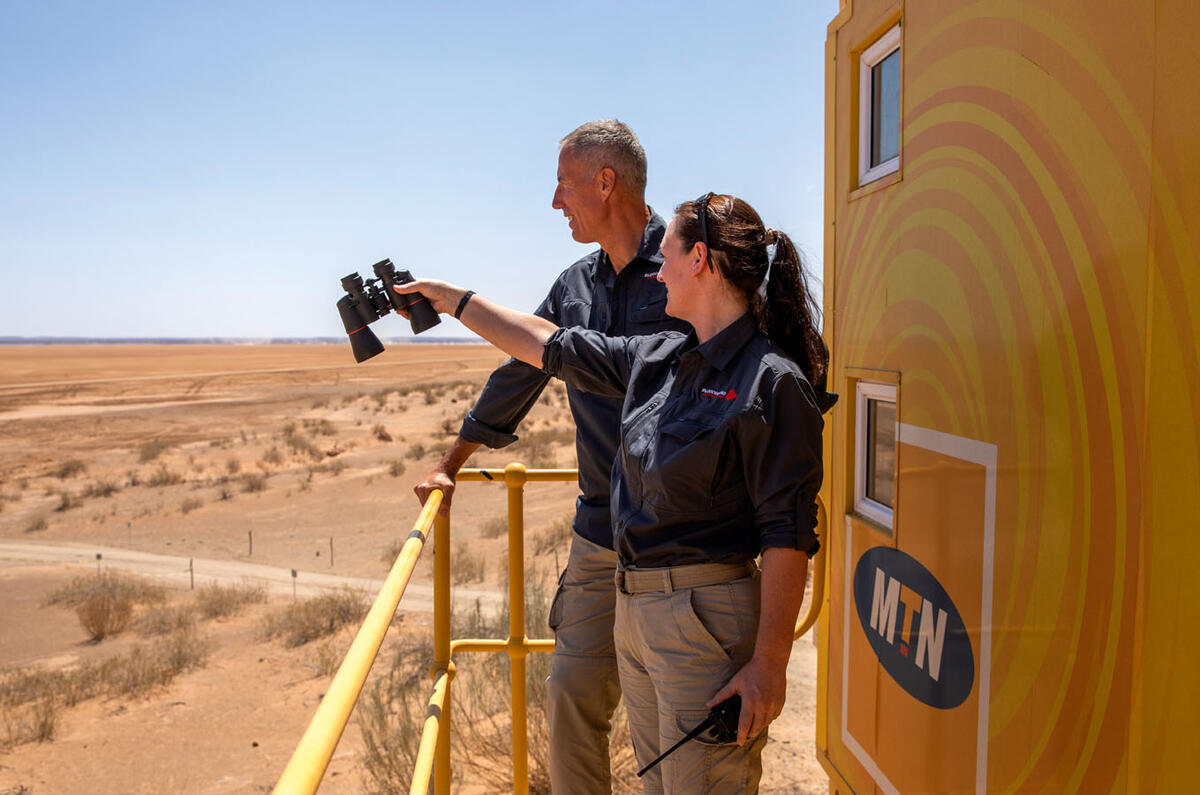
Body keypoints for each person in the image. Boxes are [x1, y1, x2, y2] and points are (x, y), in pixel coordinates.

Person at [397, 193, 834, 794]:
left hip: (704, 621)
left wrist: (769, 665)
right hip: (637, 612)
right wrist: (452, 301)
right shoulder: (658, 359)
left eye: (669, 257)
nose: (657, 272)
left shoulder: (770, 380)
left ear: (700, 259)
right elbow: (545, 344)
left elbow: (788, 534)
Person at [412, 120, 689, 793]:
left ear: (605, 181)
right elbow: (519, 373)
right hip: (598, 536)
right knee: (568, 694)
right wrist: (452, 460)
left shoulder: (686, 270)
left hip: (683, 541)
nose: (554, 202)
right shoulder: (574, 287)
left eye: (564, 184)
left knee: (675, 727)